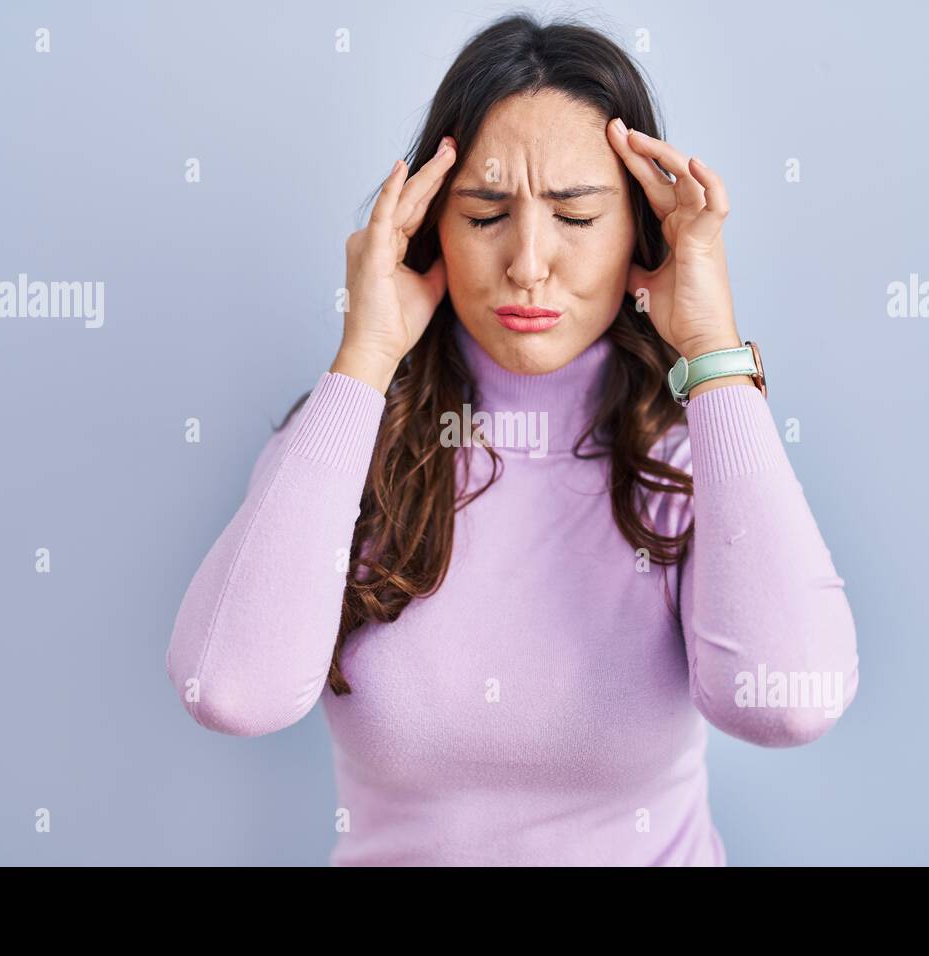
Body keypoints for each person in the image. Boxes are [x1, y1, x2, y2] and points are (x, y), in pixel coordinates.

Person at [166, 13, 860, 866]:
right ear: (431, 231)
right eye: (487, 213)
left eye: (576, 217)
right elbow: (230, 692)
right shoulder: (348, 446)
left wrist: (714, 352)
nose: (529, 263)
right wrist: (365, 359)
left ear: (641, 232)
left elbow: (794, 703)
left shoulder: (690, 453)